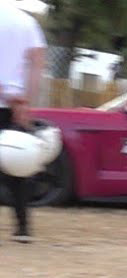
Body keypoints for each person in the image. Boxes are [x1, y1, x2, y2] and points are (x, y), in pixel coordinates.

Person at [0, 0, 46, 244]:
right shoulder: (27, 22)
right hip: (16, 106)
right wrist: (26, 102)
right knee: (18, 167)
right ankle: (23, 228)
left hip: (7, 100)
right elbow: (38, 63)